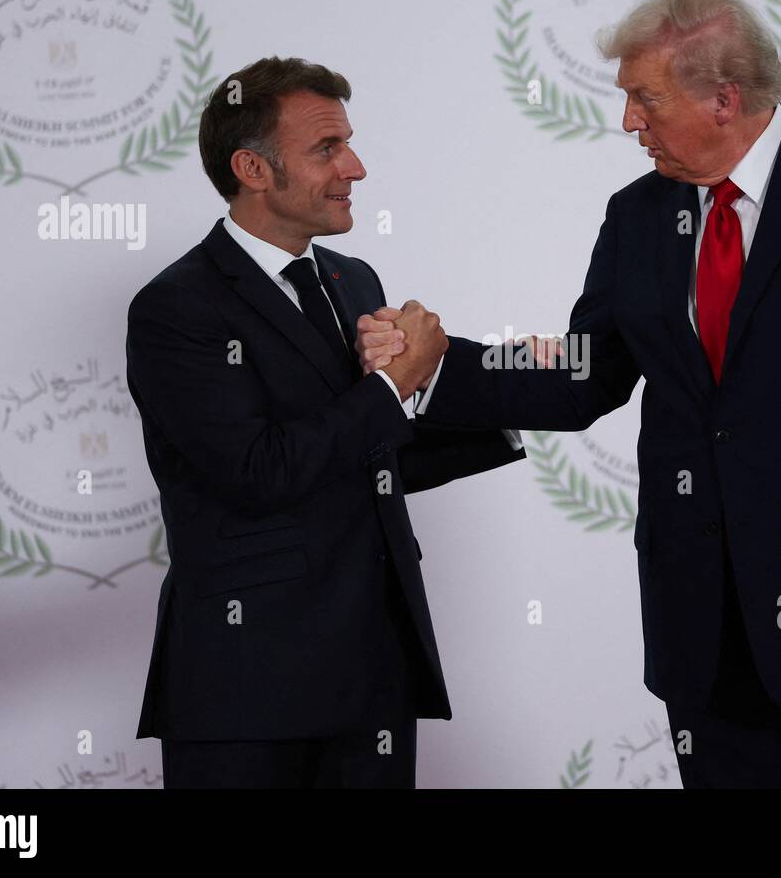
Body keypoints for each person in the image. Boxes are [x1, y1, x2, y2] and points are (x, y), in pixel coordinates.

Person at [358, 0, 781, 787]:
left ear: (724, 98)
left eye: (643, 99)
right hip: (704, 630)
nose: (628, 123)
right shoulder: (639, 215)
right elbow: (586, 374)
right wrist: (439, 361)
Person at [126, 56, 524, 788]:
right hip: (246, 690)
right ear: (253, 167)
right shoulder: (176, 307)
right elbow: (259, 472)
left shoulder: (353, 279)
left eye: (349, 142)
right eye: (326, 149)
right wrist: (390, 385)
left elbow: (369, 455)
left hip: (372, 671)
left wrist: (497, 401)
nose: (357, 167)